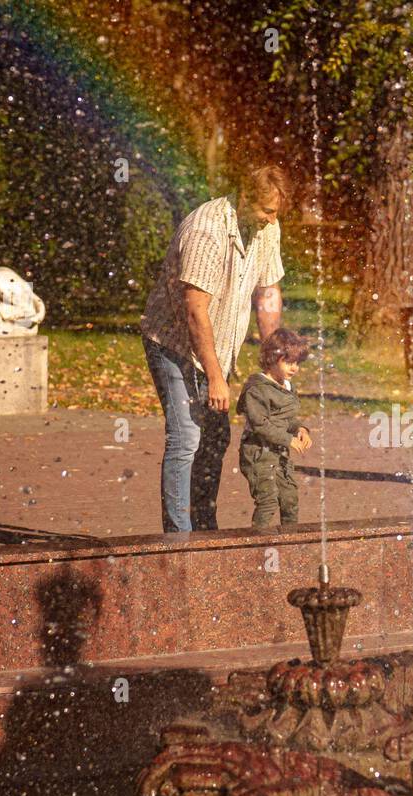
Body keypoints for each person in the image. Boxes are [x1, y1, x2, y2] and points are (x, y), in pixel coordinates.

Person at [140, 165, 289, 532]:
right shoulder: (206, 229)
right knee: (187, 435)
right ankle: (178, 538)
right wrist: (216, 377)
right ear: (244, 197)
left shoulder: (267, 228)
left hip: (216, 347)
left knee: (216, 437)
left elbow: (268, 292)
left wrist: (275, 356)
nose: (271, 221)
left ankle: (205, 527)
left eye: (276, 214)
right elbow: (195, 310)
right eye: (266, 212)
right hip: (173, 342)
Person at [237, 329, 312, 529]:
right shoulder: (257, 389)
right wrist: (288, 440)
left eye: (297, 362)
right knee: (268, 500)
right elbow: (260, 424)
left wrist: (301, 429)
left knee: (289, 499)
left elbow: (287, 418)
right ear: (272, 358)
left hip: (279, 453)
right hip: (259, 454)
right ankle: (256, 544)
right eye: (289, 362)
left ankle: (290, 542)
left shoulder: (287, 386)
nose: (294, 368)